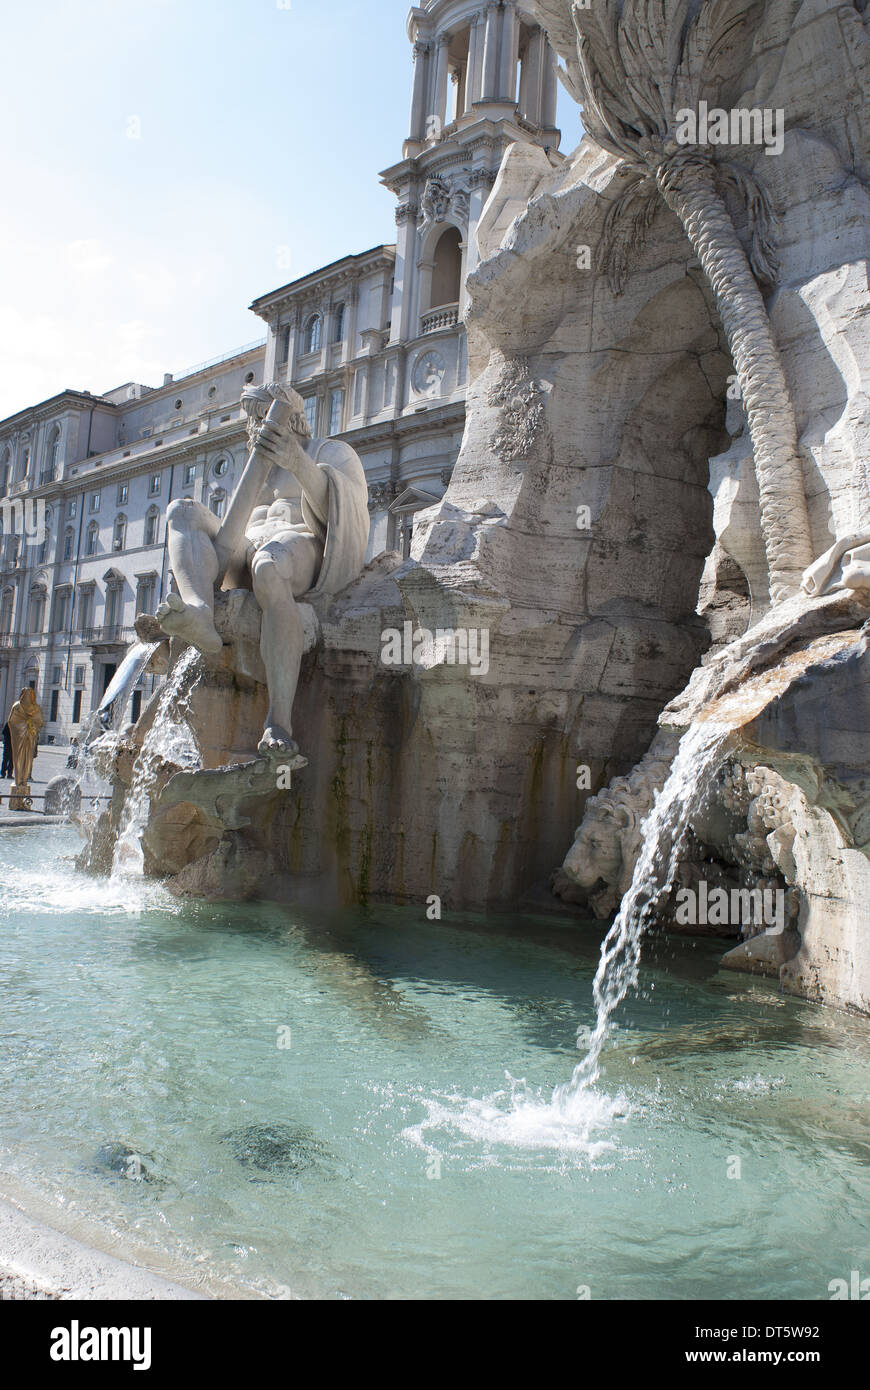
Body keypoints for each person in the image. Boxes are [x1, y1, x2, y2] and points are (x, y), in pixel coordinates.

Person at [152, 383, 369, 758]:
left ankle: (278, 722)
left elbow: (348, 516)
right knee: (180, 511)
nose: (255, 426)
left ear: (293, 419)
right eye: (251, 420)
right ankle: (199, 611)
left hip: (300, 551)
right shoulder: (254, 468)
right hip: (247, 552)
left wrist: (297, 462)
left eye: (261, 416)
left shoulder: (331, 451)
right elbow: (233, 533)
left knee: (269, 566)